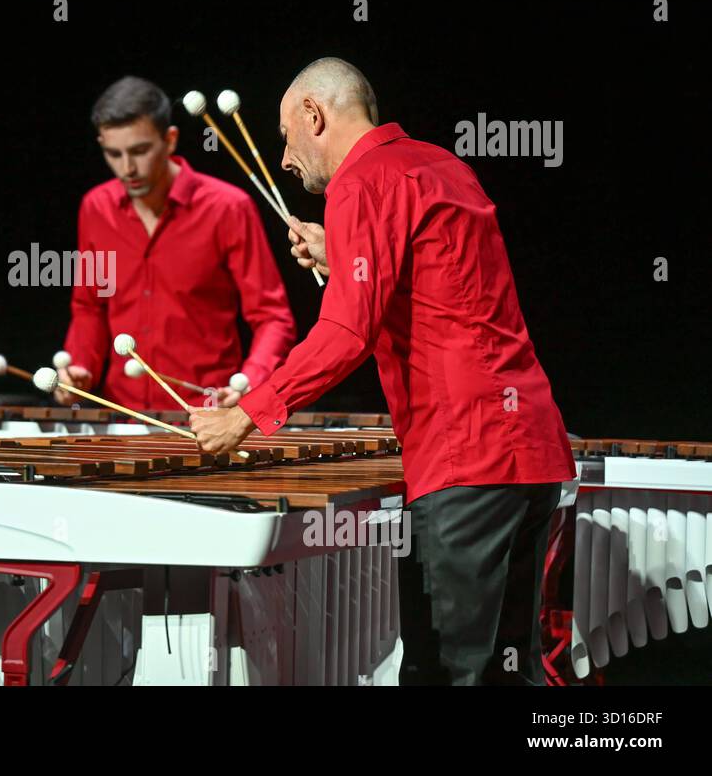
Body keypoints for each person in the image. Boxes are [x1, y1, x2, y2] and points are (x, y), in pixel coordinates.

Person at [191, 58, 575, 684]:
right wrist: (342, 253)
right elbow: (441, 290)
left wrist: (247, 413)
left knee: (442, 675)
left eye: (286, 137)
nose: (284, 160)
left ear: (314, 115)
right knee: (509, 673)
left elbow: (348, 333)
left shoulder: (362, 182)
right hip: (527, 452)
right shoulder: (441, 164)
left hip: (466, 460)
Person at [59, 76, 296, 410]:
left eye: (140, 151)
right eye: (114, 154)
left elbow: (273, 317)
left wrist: (250, 383)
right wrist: (80, 367)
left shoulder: (227, 208)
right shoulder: (95, 208)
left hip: (207, 415)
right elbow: (89, 307)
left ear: (170, 140)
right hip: (121, 416)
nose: (127, 168)